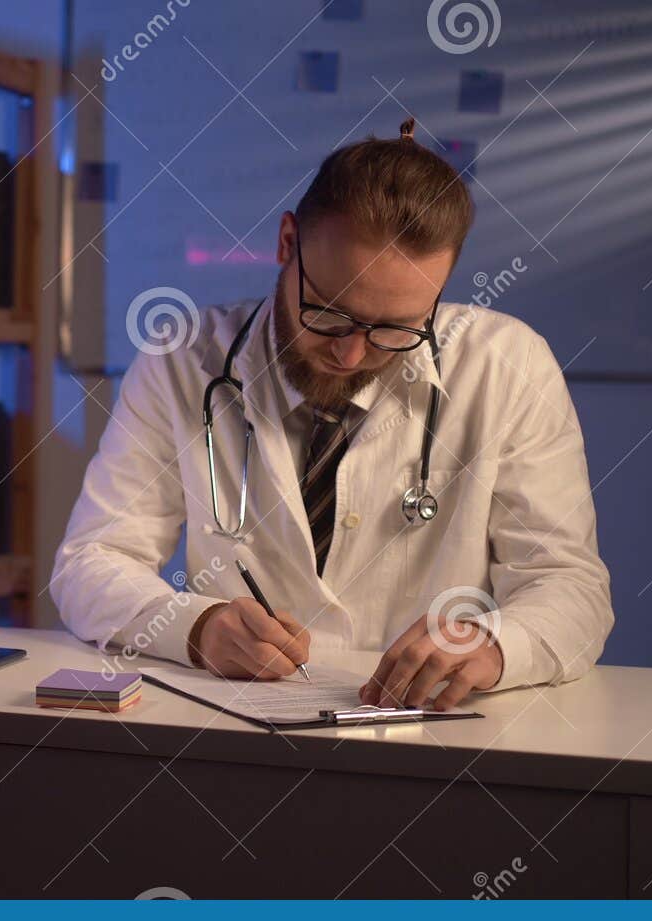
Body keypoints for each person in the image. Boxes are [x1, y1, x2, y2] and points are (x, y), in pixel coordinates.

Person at [52, 117, 613, 711]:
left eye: (395, 328)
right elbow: (91, 563)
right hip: (236, 728)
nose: (350, 354)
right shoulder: (182, 359)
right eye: (329, 313)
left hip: (430, 738)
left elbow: (571, 586)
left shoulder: (507, 364)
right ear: (287, 243)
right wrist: (198, 627)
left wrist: (496, 646)